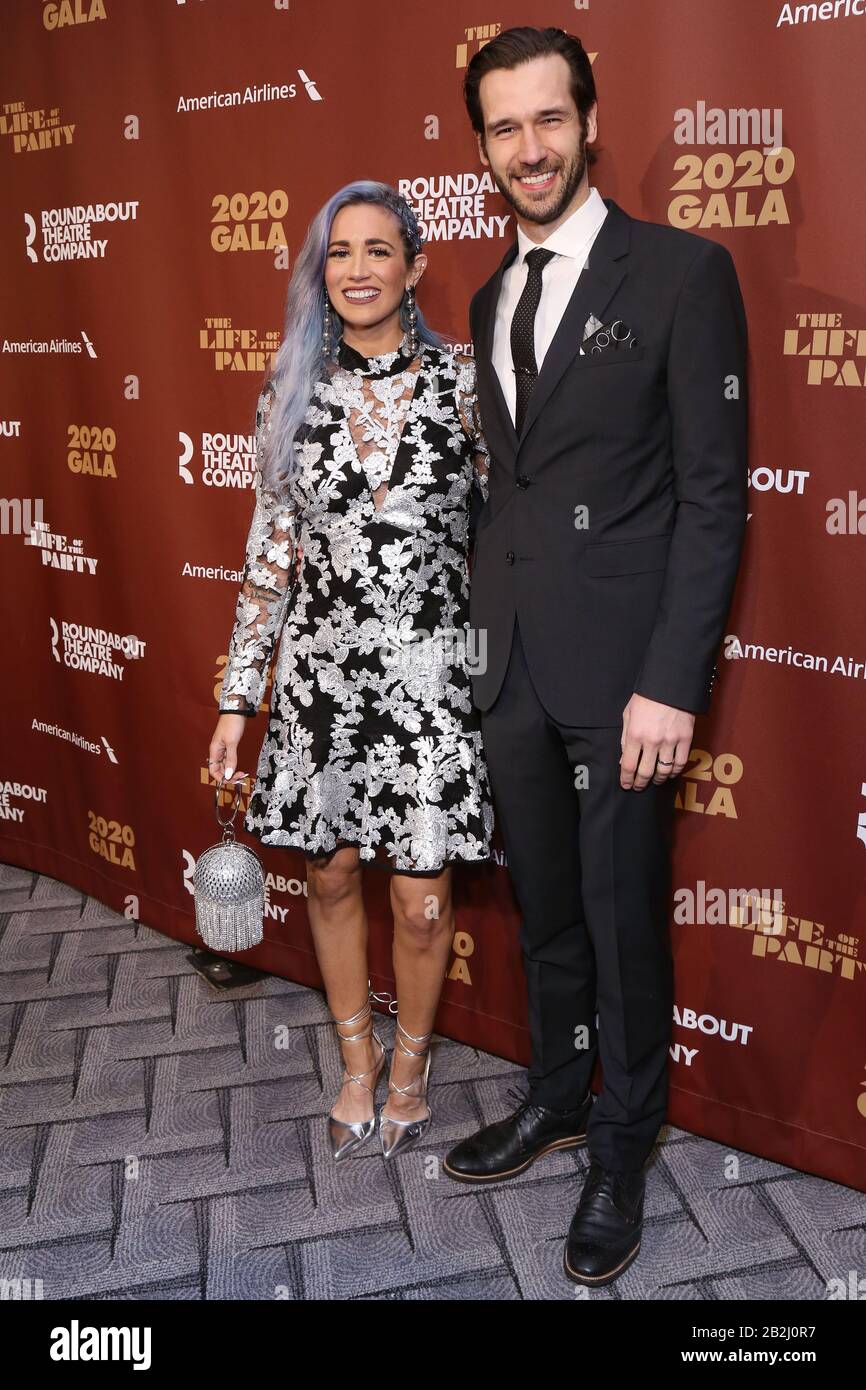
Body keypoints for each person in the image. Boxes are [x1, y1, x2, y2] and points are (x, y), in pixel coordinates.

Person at [442, 26, 749, 1288]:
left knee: (623, 923)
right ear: (481, 147)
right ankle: (558, 1097)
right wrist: (472, 658)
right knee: (549, 916)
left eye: (547, 120)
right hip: (509, 664)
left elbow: (711, 495)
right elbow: (502, 495)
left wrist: (672, 678)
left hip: (627, 675)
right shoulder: (483, 293)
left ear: (588, 120)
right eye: (503, 128)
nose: (529, 148)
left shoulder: (680, 273)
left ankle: (623, 1141)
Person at [207, 182, 494, 1163]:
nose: (358, 269)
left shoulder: (467, 384)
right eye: (339, 252)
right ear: (318, 272)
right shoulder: (286, 391)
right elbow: (269, 558)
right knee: (327, 879)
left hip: (433, 685)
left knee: (419, 899)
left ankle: (412, 1068)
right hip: (320, 686)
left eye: (379, 250)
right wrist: (237, 703)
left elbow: (509, 547)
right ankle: (357, 1065)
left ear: (414, 266)